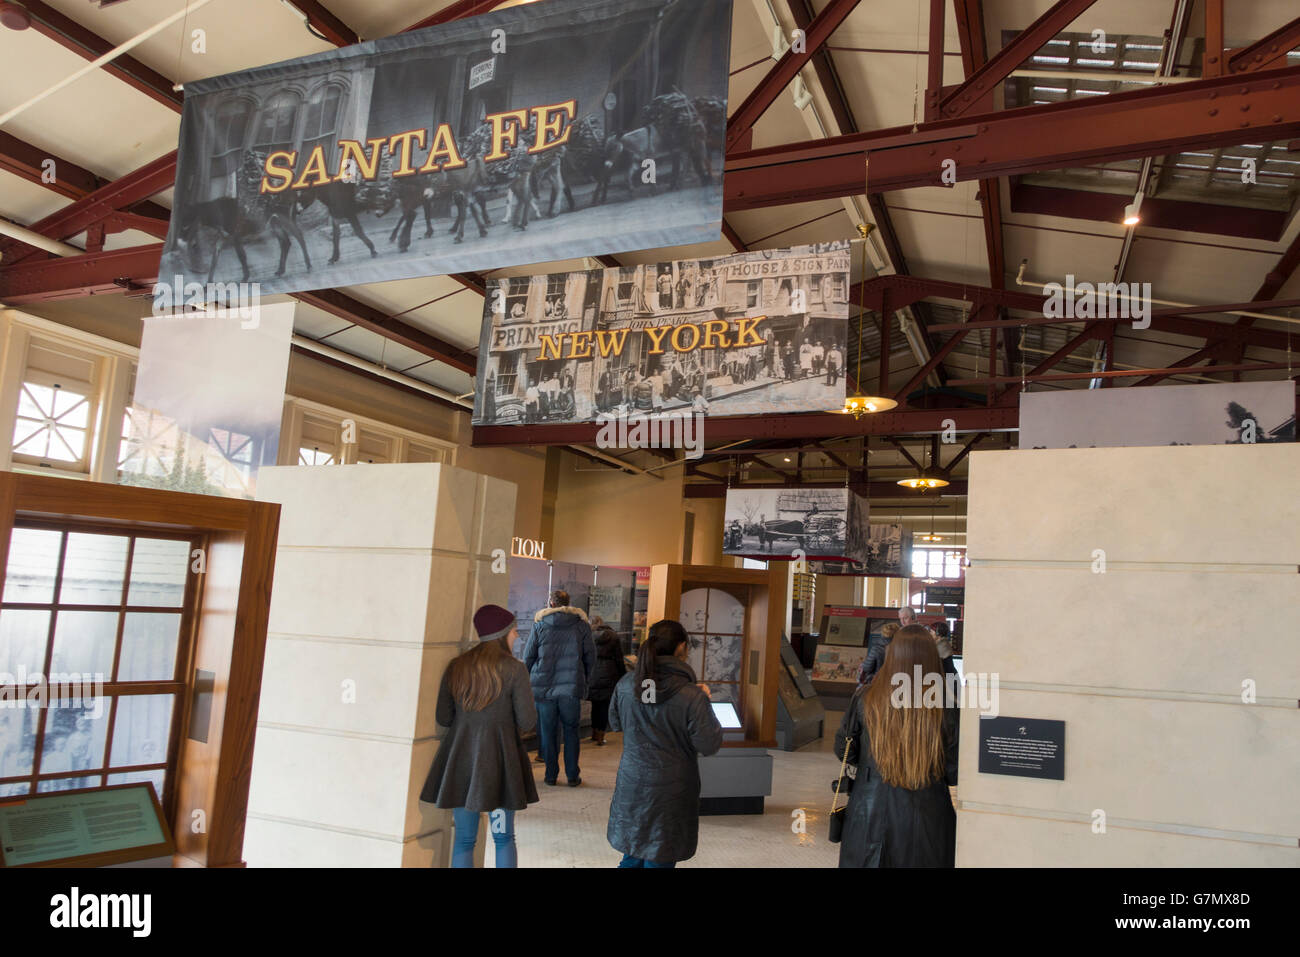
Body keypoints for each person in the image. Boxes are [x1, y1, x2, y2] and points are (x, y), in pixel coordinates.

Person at [420, 604, 538, 868]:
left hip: (462, 762)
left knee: (463, 839)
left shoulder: (457, 666)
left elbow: (443, 718)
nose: (517, 636)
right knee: (504, 838)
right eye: (514, 631)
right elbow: (528, 720)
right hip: (501, 765)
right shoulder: (515, 670)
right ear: (502, 633)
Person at [835, 626, 958, 867]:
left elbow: (844, 750)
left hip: (869, 812)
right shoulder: (946, 704)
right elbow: (954, 773)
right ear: (932, 657)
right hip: (929, 816)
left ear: (892, 655)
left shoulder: (865, 697)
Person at [607, 620, 723, 867]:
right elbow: (708, 743)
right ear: (681, 648)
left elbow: (615, 723)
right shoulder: (692, 695)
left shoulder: (626, 685)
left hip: (633, 780)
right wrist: (705, 702)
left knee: (633, 851)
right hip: (672, 787)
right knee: (661, 854)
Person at [525, 589, 595, 787]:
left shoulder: (539, 626)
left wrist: (527, 682)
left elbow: (529, 656)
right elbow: (590, 656)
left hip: (543, 689)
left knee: (547, 731)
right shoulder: (581, 626)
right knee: (572, 730)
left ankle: (550, 775)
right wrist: (585, 680)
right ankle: (572, 775)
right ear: (568, 603)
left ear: (551, 603)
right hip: (571, 688)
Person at [587, 617, 627, 746]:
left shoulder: (588, 636)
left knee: (595, 705)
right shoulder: (613, 637)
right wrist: (623, 675)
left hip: (593, 671)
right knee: (604, 706)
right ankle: (601, 736)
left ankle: (593, 732)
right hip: (609, 672)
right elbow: (619, 658)